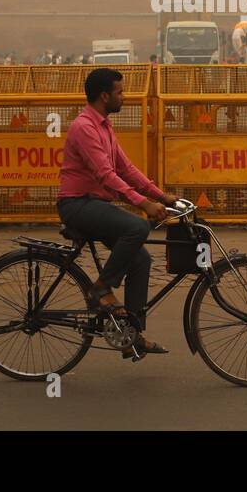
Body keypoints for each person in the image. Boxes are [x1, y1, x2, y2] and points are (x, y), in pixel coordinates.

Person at [57, 68, 175, 361]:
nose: (124, 97)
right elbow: (106, 175)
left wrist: (160, 196)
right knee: (137, 228)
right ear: (104, 95)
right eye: (120, 92)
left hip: (95, 204)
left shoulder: (105, 126)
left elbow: (126, 169)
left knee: (141, 259)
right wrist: (143, 205)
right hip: (77, 204)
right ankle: (101, 288)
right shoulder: (84, 127)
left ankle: (130, 336)